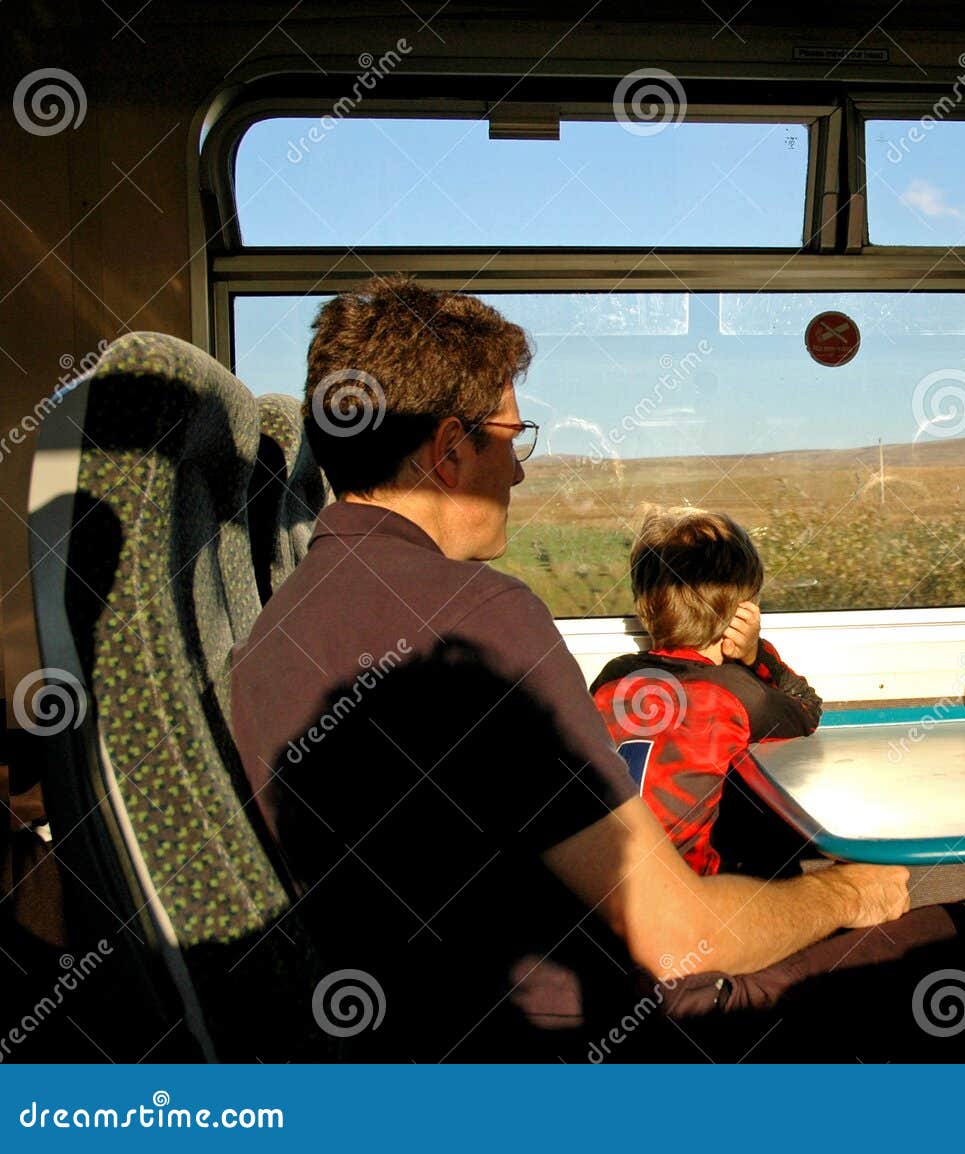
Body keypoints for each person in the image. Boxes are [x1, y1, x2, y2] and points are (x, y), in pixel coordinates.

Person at [228, 276, 912, 1060]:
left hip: (425, 1027)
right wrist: (845, 890)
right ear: (450, 449)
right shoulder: (478, 616)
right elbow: (675, 939)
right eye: (511, 439)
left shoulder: (272, 630)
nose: (518, 471)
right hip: (581, 1026)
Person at [590, 507, 821, 877]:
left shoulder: (613, 676)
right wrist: (754, 653)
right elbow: (808, 708)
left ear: (646, 606)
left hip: (605, 880)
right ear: (741, 612)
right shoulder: (733, 691)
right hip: (687, 897)